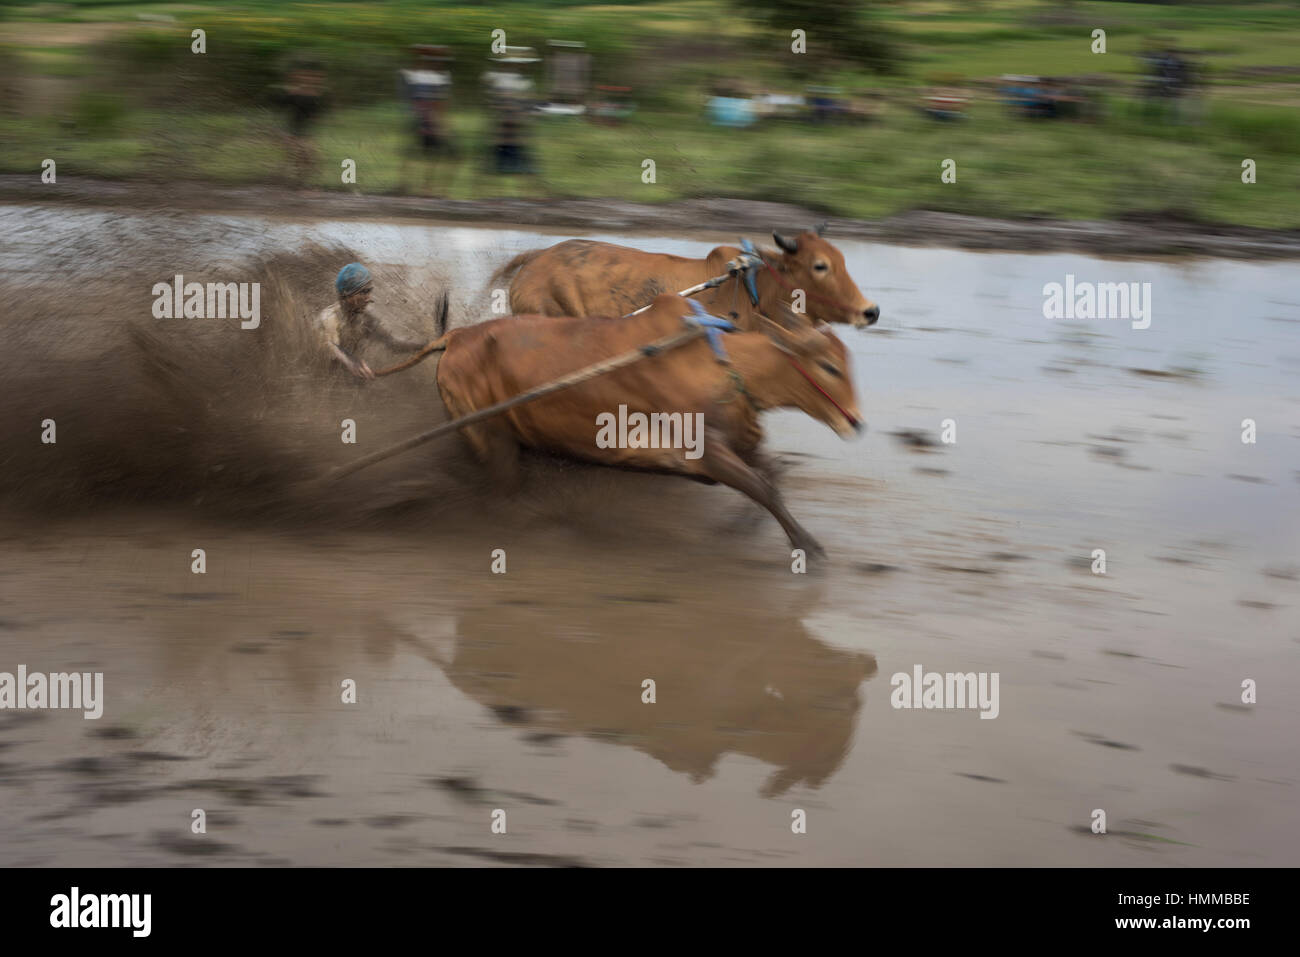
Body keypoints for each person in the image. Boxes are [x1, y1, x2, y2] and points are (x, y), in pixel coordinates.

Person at [316, 263, 426, 380]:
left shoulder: (365, 319)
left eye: (369, 291)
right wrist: (352, 361)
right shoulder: (329, 318)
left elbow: (393, 343)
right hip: (322, 382)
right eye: (363, 292)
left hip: (350, 382)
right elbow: (331, 348)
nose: (369, 298)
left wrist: (426, 345)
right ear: (346, 294)